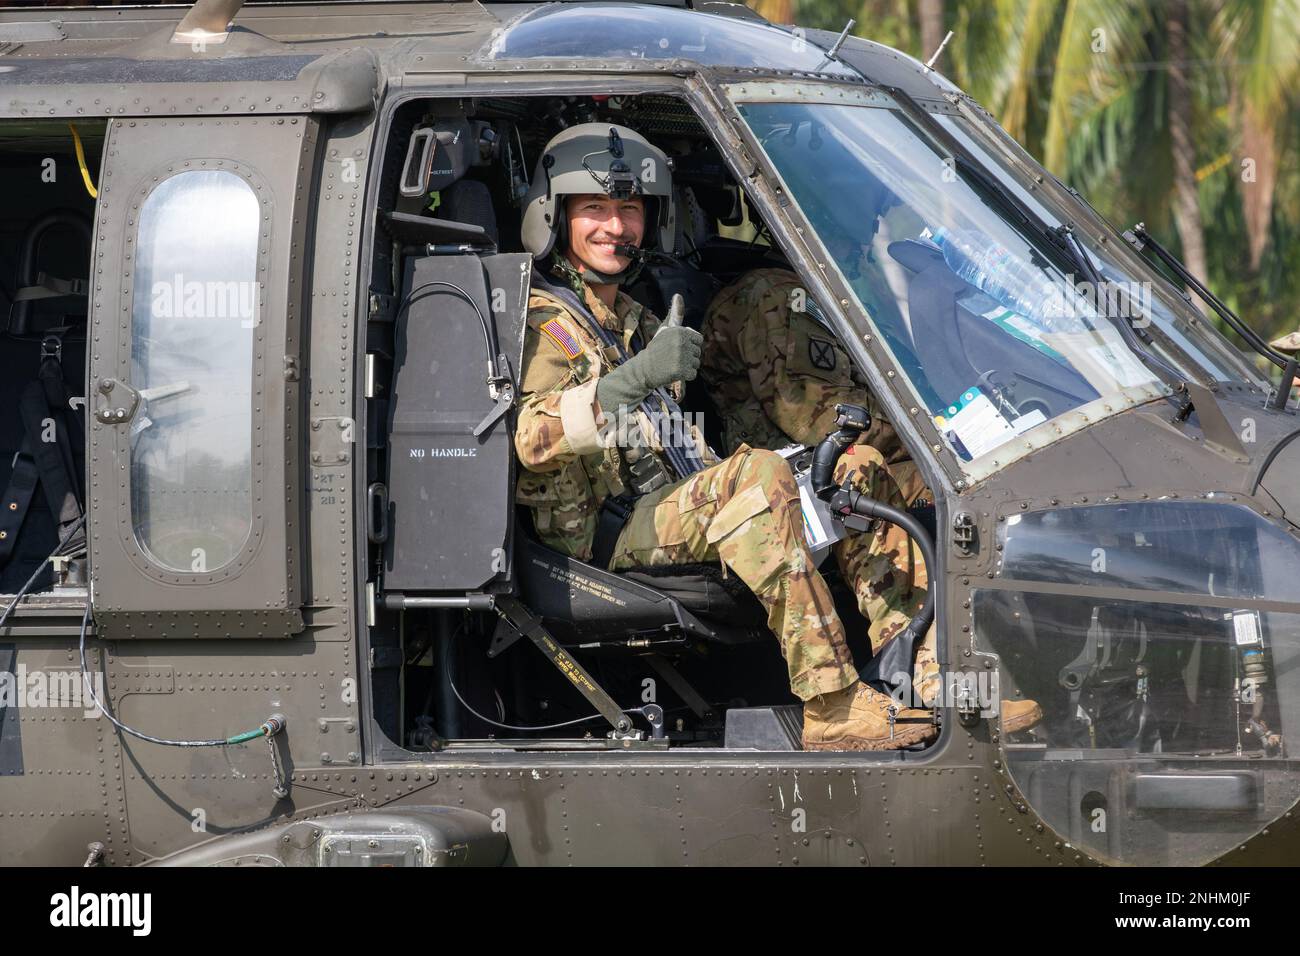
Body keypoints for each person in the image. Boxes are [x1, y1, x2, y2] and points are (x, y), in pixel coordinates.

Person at [513, 123, 936, 750]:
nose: (614, 227)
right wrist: (629, 383)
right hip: (598, 534)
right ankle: (830, 702)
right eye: (594, 209)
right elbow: (531, 440)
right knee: (759, 476)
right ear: (556, 216)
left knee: (857, 466)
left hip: (663, 508)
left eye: (628, 209)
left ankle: (921, 684)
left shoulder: (635, 321)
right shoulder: (545, 323)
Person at [700, 267, 1042, 734]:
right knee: (950, 490)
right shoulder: (777, 293)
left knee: (996, 490)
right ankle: (908, 681)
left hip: (834, 467)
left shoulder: (840, 288)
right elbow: (816, 422)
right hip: (793, 476)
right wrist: (941, 433)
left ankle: (947, 676)